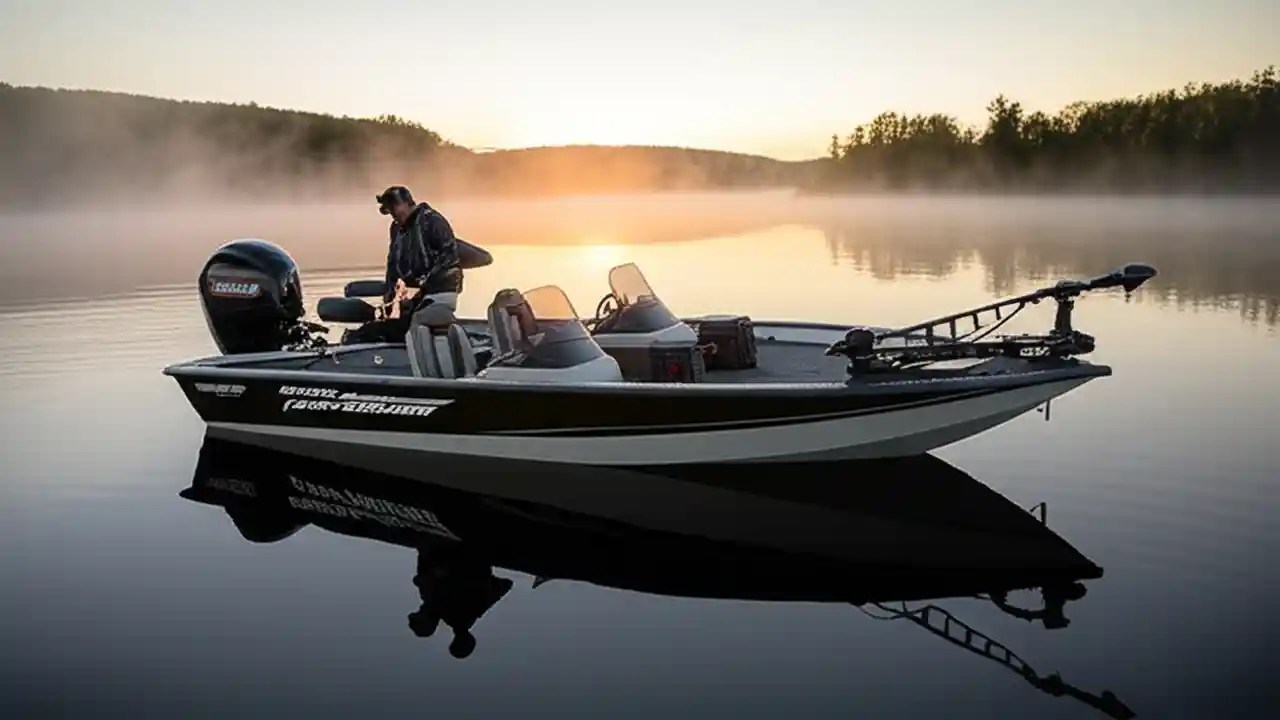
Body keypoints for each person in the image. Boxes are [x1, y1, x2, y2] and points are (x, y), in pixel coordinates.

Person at [376, 185, 463, 314]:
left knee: (417, 317)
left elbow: (448, 256)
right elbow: (392, 263)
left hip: (442, 290)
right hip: (419, 292)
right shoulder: (396, 229)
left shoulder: (432, 221)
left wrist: (425, 284)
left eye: (394, 208)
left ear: (405, 203)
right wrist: (390, 292)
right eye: (390, 211)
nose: (393, 215)